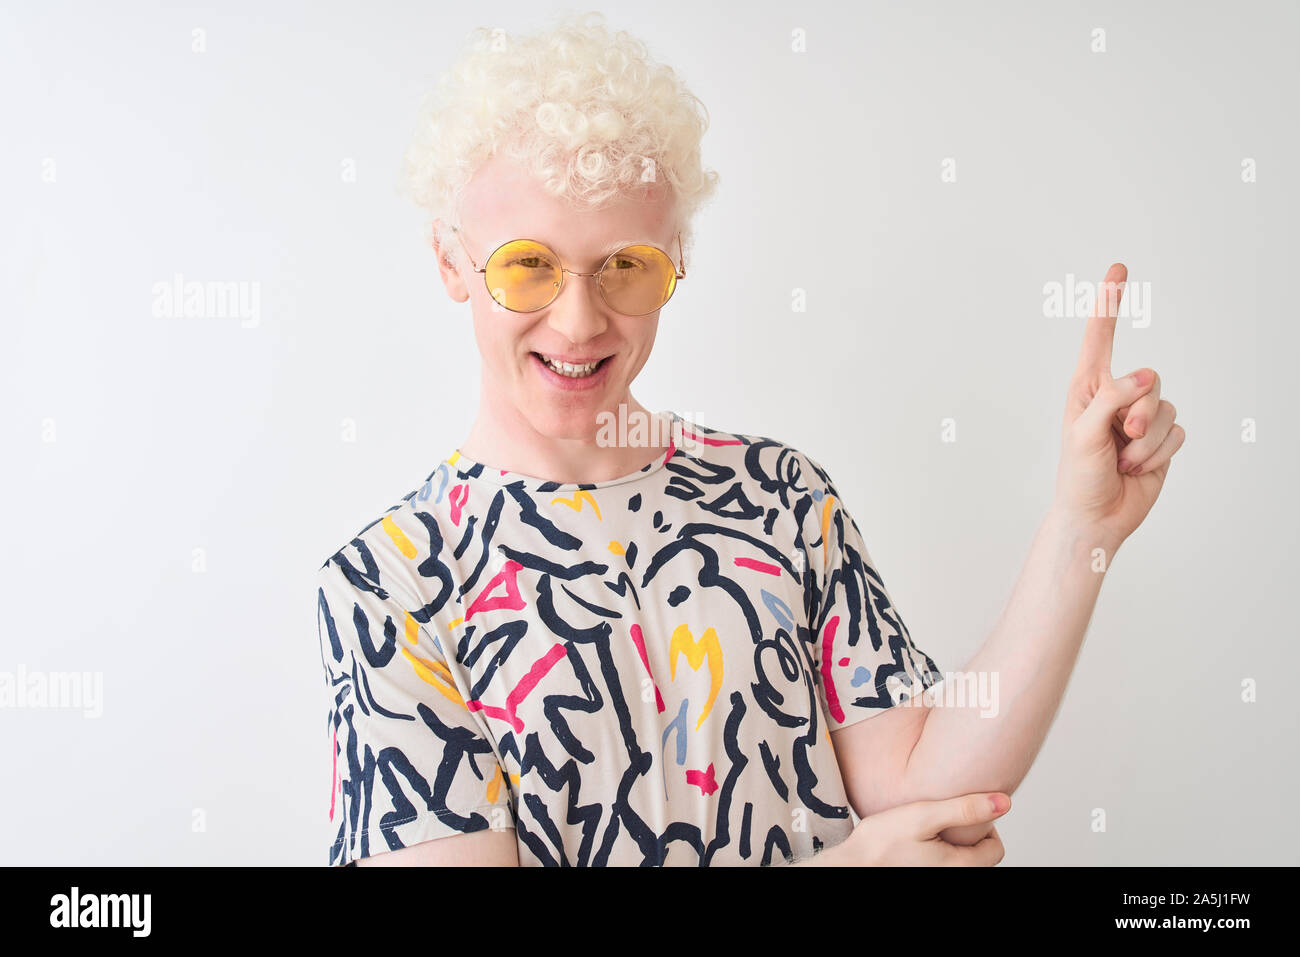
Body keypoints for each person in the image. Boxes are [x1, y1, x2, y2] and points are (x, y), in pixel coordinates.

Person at [315, 12, 1184, 867]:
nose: (579, 320)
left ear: (676, 258)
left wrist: (1082, 530)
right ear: (451, 261)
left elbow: (926, 793)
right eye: (527, 265)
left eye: (625, 265)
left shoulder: (779, 495)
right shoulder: (391, 586)